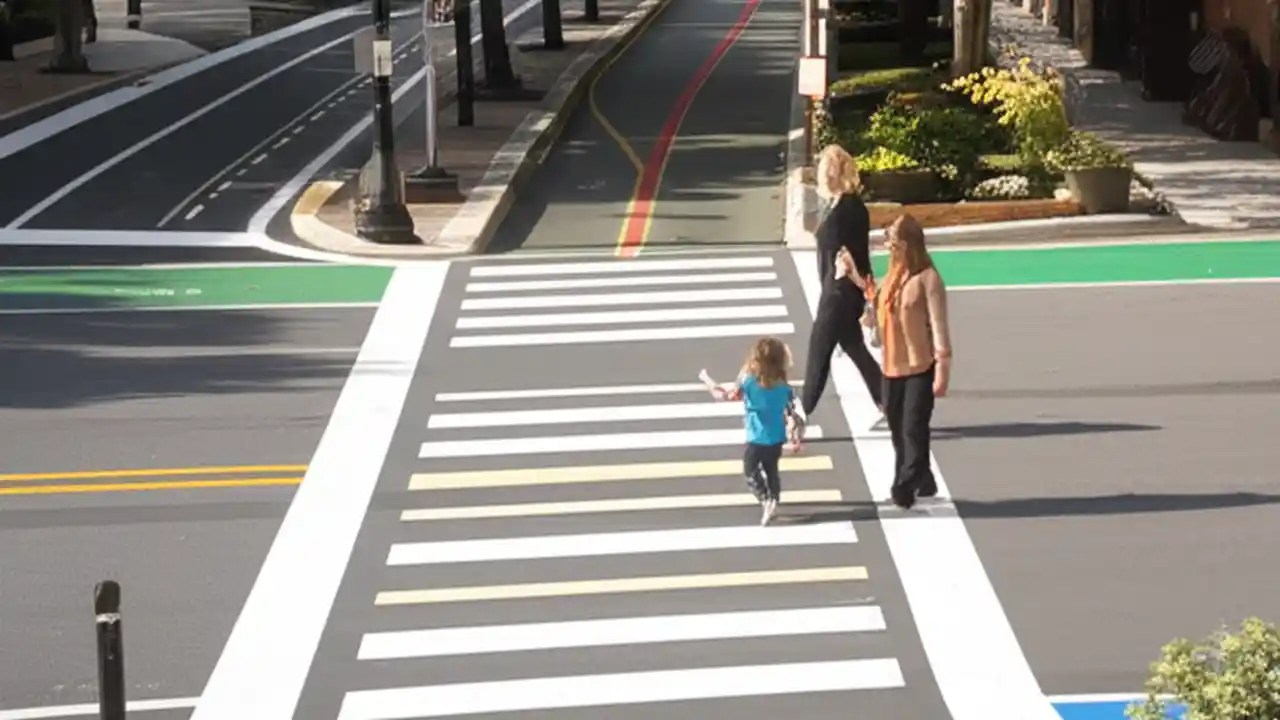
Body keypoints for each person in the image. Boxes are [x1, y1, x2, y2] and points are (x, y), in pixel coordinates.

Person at [849, 214, 952, 510]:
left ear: (905, 244)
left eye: (891, 239)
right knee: (898, 430)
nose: (887, 244)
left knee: (913, 428)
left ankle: (903, 487)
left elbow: (939, 325)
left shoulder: (928, 279)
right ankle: (924, 478)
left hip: (920, 367)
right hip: (891, 367)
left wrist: (942, 369)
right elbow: (878, 309)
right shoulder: (891, 277)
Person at [801, 144, 884, 426]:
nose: (820, 174)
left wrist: (863, 290)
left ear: (833, 172)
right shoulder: (838, 204)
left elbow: (856, 254)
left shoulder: (849, 209)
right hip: (837, 291)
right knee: (855, 349)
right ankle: (888, 402)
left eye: (824, 168)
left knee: (818, 353)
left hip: (839, 295)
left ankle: (800, 414)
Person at [699, 338, 803, 526]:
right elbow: (792, 409)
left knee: (750, 469)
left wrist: (707, 380)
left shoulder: (749, 384)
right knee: (772, 469)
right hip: (777, 437)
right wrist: (795, 430)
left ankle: (765, 498)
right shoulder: (783, 387)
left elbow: (725, 395)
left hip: (756, 437)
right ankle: (774, 497)